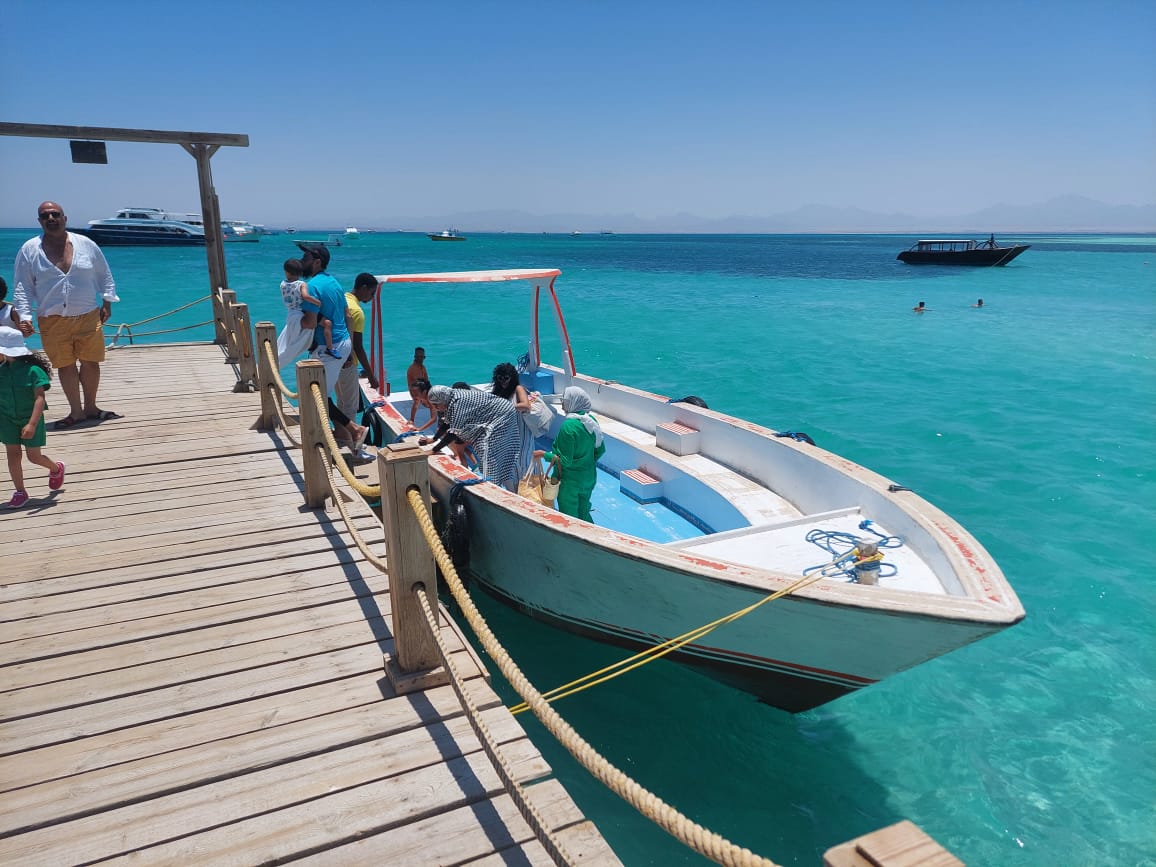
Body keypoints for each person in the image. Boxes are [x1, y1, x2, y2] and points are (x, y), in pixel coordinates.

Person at [12, 201, 121, 429]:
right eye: (45, 216)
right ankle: (77, 412)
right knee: (65, 365)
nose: (51, 218)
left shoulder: (86, 244)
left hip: (88, 314)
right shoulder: (30, 250)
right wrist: (24, 317)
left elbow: (104, 273)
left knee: (91, 362)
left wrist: (108, 302)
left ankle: (91, 407)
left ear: (65, 218)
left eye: (55, 214)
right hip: (52, 319)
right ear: (39, 221)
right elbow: (23, 286)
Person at [295, 243, 368, 450]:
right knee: (322, 396)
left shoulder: (312, 287)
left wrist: (293, 324)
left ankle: (354, 430)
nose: (302, 261)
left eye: (306, 257)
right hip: (341, 344)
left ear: (317, 262)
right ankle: (345, 438)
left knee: (315, 396)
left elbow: (309, 322)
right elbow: (346, 316)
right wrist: (348, 352)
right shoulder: (334, 283)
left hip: (328, 348)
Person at [0, 326, 65, 509]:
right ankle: (20, 491)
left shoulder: (33, 371)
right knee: (12, 455)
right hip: (6, 419)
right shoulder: (1, 370)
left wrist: (32, 424)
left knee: (34, 457)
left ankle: (56, 468)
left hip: (30, 419)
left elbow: (39, 398)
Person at [423, 384, 522, 490]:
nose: (435, 408)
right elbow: (447, 424)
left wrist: (434, 450)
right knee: (496, 456)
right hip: (499, 413)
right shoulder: (451, 399)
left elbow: (452, 434)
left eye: (436, 404)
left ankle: (493, 487)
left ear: (442, 399)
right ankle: (506, 488)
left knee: (487, 451)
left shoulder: (458, 403)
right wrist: (433, 439)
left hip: (502, 415)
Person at [533, 386, 605, 522]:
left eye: (564, 400)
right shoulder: (591, 421)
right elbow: (600, 450)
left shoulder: (568, 427)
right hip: (589, 477)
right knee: (584, 512)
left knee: (570, 517)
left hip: (570, 482)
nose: (562, 403)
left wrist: (543, 454)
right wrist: (584, 462)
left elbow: (565, 461)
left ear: (573, 402)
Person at [333, 273, 381, 439]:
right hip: (347, 363)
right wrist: (370, 374)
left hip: (332, 360)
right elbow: (358, 347)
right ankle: (352, 445)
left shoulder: (343, 299)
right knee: (350, 406)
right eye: (372, 293)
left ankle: (341, 438)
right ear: (363, 288)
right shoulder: (357, 311)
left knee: (340, 402)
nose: (372, 297)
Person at [491, 361, 535, 480]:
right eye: (500, 378)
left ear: (512, 377)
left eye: (506, 378)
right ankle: (516, 487)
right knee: (511, 462)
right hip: (508, 433)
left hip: (522, 432)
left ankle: (527, 486)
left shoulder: (518, 389)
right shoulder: (498, 392)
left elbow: (526, 406)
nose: (503, 381)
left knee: (523, 459)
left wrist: (506, 406)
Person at [276, 258, 324, 360]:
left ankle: (276, 360)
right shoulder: (301, 284)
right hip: (299, 314)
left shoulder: (283, 284)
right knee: (297, 343)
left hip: (290, 314)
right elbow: (305, 296)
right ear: (300, 273)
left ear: (286, 272)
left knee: (287, 343)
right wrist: (317, 301)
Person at [406, 347, 429, 423]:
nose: (420, 359)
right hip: (415, 390)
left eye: (422, 357)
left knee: (436, 397)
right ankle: (412, 419)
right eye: (418, 357)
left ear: (424, 357)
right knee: (417, 400)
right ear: (415, 357)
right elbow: (418, 383)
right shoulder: (413, 368)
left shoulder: (423, 367)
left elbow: (426, 381)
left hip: (422, 388)